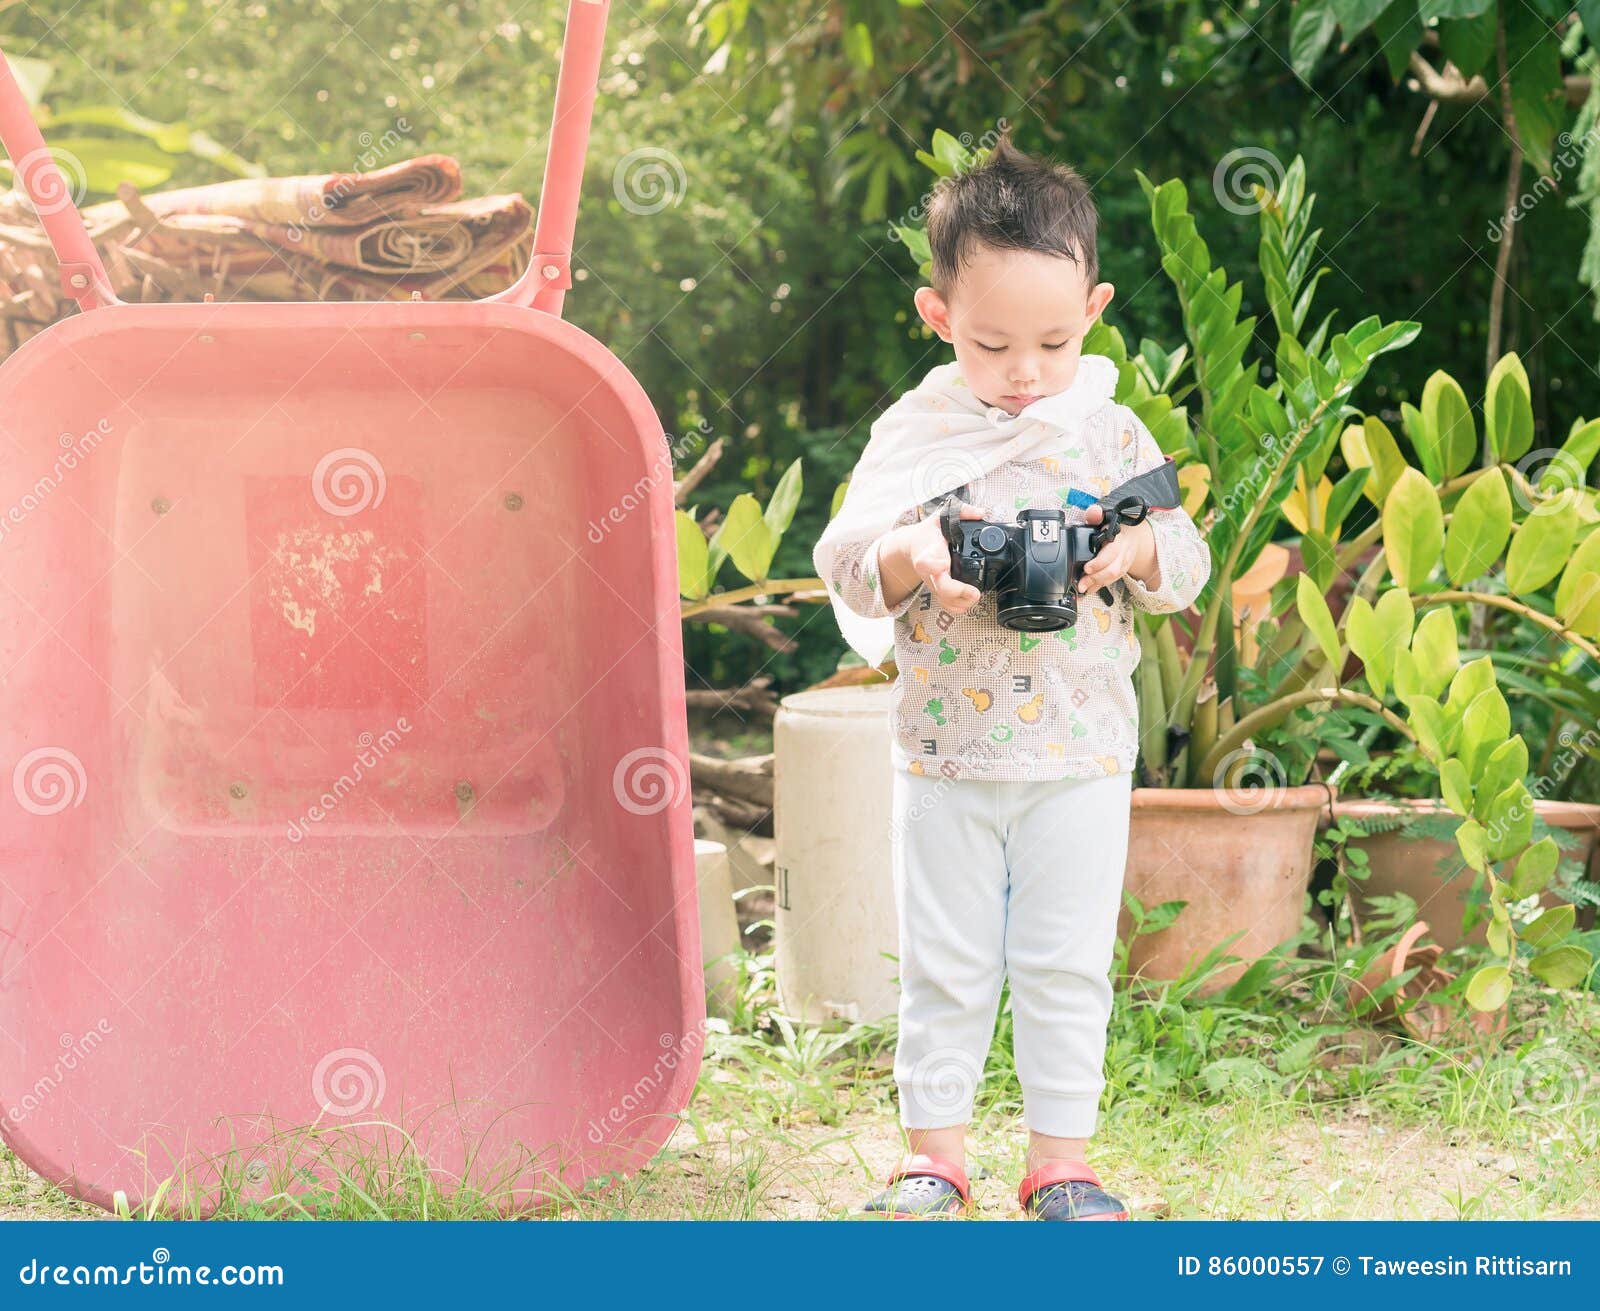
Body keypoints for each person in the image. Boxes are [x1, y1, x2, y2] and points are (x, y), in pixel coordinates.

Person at [812, 133, 1211, 1220]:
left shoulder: (1109, 429)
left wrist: (1131, 551)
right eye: (991, 344)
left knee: (1064, 962)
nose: (1025, 373)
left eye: (1051, 340)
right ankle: (932, 1158)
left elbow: (1185, 562)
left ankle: (1060, 1160)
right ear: (938, 317)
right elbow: (844, 559)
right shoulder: (915, 430)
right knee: (944, 962)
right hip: (943, 753)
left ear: (1096, 307)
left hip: (1079, 754)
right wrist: (910, 557)